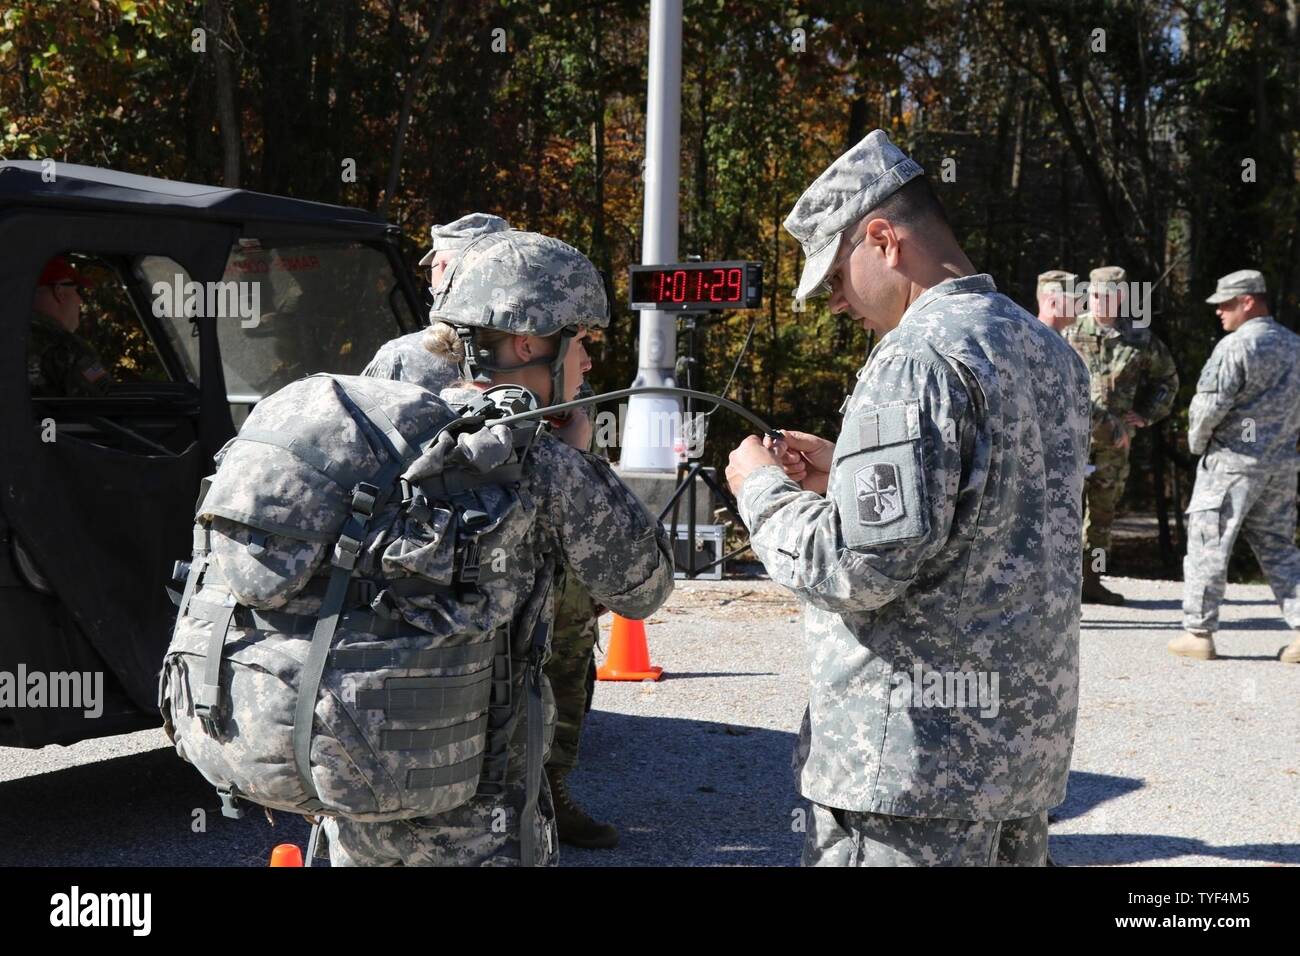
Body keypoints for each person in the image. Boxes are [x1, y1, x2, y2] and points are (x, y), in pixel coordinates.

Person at [724, 130, 1091, 867]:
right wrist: (845, 473)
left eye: (834, 279)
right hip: (1016, 755)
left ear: (883, 238)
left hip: (913, 770)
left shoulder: (917, 356)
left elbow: (857, 571)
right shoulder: (1042, 347)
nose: (834, 304)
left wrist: (758, 490)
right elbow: (987, 514)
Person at [322, 230, 675, 865]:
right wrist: (579, 459)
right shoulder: (544, 462)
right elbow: (646, 587)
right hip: (478, 824)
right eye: (582, 342)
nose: (588, 363)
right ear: (528, 343)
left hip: (354, 797)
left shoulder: (370, 436)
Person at [364, 214, 620, 847]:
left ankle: (550, 787)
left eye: (451, 266)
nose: (441, 280)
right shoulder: (403, 360)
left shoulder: (546, 354)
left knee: (557, 667)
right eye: (439, 268)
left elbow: (573, 449)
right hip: (446, 560)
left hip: (542, 556)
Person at [1170, 270, 1300, 663]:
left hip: (1232, 464)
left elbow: (1210, 404)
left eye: (1226, 304)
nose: (1219, 312)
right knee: (1280, 548)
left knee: (1209, 543)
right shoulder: (1295, 346)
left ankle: (1198, 632)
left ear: (1249, 301)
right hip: (1281, 465)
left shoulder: (1236, 346)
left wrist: (1197, 444)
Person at [1064, 266, 1179, 605]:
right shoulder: (1070, 331)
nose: (1101, 302)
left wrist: (1145, 415)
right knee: (1062, 512)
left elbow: (1167, 380)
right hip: (1071, 439)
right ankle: (1059, 585)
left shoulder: (1139, 337)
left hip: (1115, 443)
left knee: (1102, 515)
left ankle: (1093, 580)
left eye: (1110, 296)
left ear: (1123, 298)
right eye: (1096, 295)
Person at [28, 256, 112, 397]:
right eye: (77, 291)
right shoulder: (70, 349)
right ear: (58, 291)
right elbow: (108, 398)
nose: (80, 300)